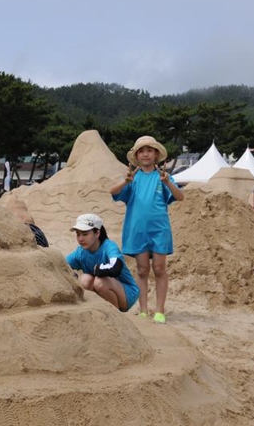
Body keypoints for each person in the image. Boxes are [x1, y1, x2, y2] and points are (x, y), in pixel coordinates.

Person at [110, 135, 184, 324]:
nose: (145, 154)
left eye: (149, 150)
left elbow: (180, 196)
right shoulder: (132, 178)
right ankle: (143, 309)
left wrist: (167, 181)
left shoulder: (163, 177)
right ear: (136, 155)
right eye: (141, 151)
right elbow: (113, 191)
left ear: (156, 154)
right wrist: (126, 181)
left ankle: (159, 310)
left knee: (159, 268)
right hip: (137, 230)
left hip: (159, 229)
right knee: (142, 270)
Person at [66, 214, 139, 312]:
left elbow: (116, 267)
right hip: (104, 288)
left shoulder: (109, 246)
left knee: (100, 282)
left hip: (127, 293)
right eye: (78, 234)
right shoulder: (80, 252)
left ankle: (116, 318)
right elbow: (61, 264)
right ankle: (99, 314)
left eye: (85, 234)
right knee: (85, 280)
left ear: (97, 233)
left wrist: (98, 269)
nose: (80, 239)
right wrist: (71, 274)